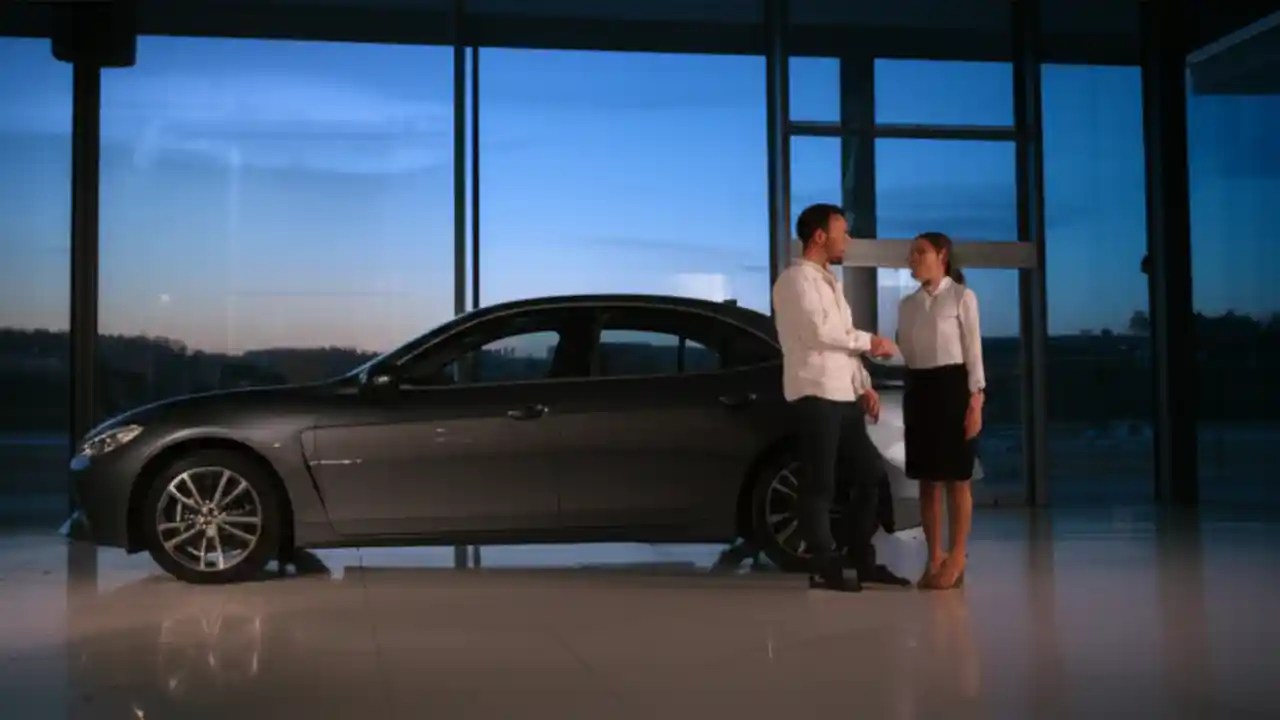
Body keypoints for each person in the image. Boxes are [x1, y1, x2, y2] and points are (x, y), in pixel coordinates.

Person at [772, 203, 911, 592]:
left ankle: (860, 559)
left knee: (869, 476)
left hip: (843, 394)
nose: (847, 240)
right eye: (842, 232)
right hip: (815, 393)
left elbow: (841, 339)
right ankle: (823, 566)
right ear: (820, 236)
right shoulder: (795, 281)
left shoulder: (829, 281)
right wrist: (872, 342)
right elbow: (822, 332)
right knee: (820, 483)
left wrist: (863, 383)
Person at [898, 232, 985, 591]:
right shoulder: (907, 304)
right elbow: (904, 350)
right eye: (911, 254)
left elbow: (974, 351)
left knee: (958, 479)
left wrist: (975, 401)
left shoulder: (962, 297)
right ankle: (933, 557)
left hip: (953, 389)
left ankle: (958, 555)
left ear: (942, 255)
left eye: (920, 252)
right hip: (918, 389)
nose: (913, 259)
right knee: (927, 481)